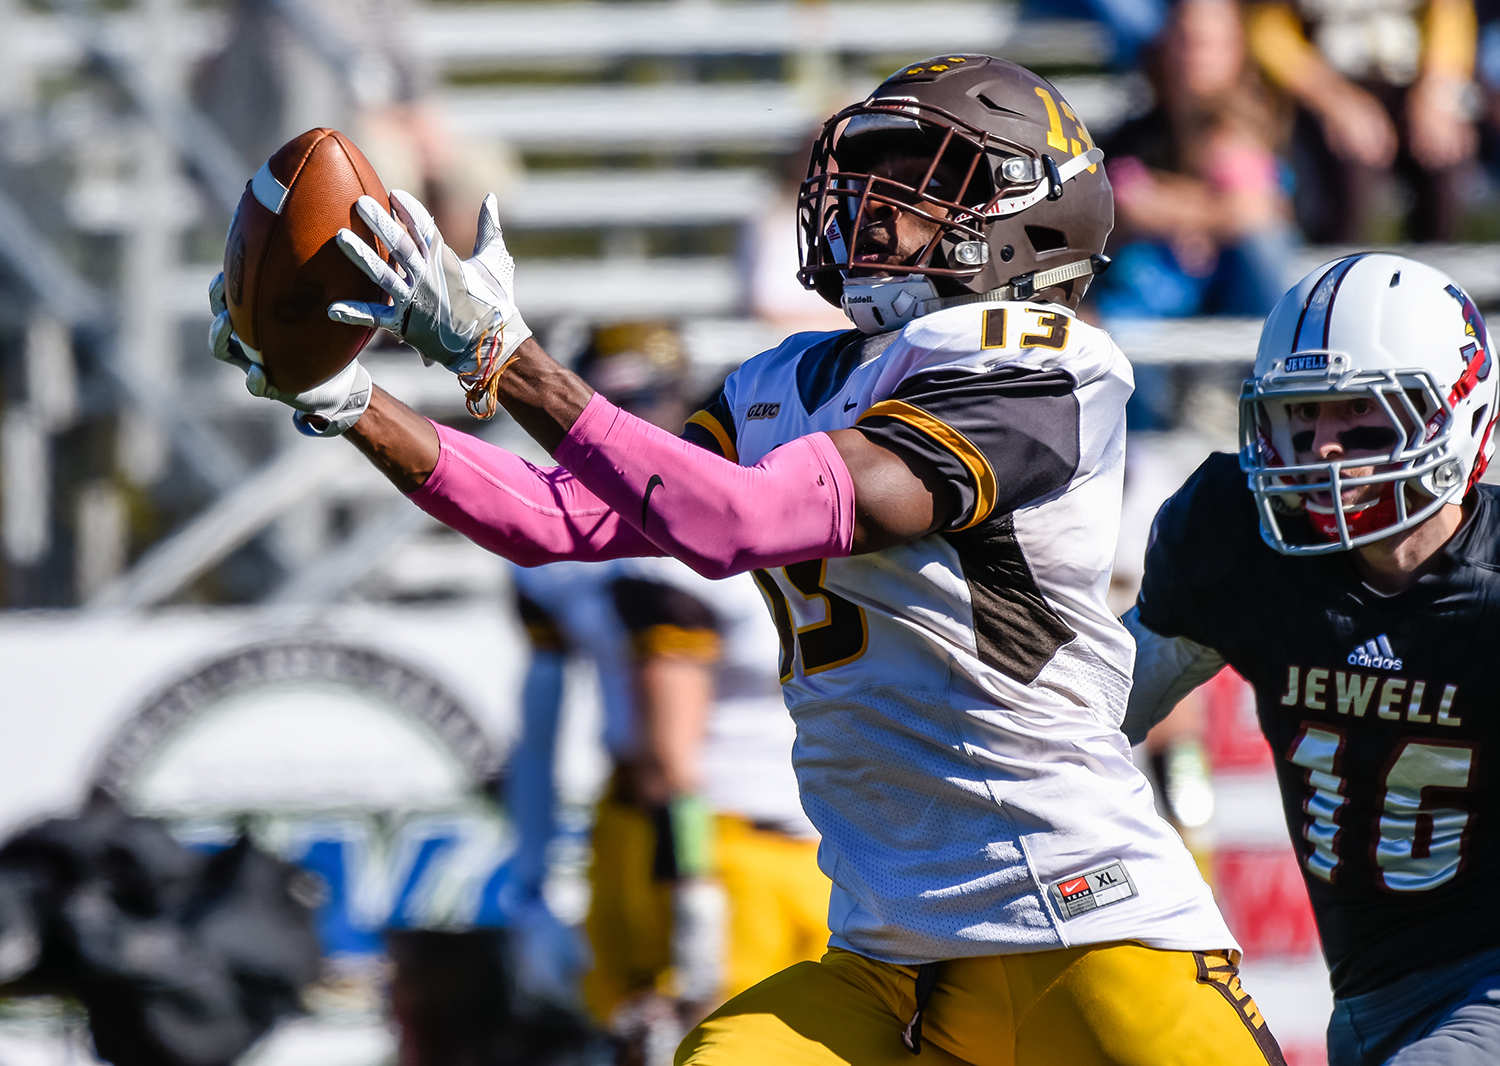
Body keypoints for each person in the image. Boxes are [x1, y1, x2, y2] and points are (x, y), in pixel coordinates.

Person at [209, 55, 1285, 1065]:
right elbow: (561, 521)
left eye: (919, 181)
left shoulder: (1044, 369)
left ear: (1022, 215)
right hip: (893, 962)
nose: (871, 204)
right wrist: (350, 402)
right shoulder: (791, 377)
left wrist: (507, 360)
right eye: (869, 177)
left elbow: (745, 520)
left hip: (1092, 929)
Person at [1125, 252, 1500, 1066]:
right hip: (1370, 998)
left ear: (1460, 415)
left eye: (1358, 411)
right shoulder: (1241, 547)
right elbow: (1089, 714)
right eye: (1302, 415)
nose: (1323, 448)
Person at [502, 323, 828, 1062]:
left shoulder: (575, 548)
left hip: (710, 845)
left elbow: (541, 737)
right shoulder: (669, 559)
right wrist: (695, 893)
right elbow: (666, 757)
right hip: (716, 854)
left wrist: (528, 884)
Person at [1097, 0, 1292, 320]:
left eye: (1209, 44)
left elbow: (1256, 214)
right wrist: (1218, 209)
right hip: (1153, 304)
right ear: (1165, 46)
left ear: (1237, 51)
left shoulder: (1259, 134)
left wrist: (1165, 206)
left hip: (1241, 297)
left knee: (1263, 244)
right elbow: (1123, 206)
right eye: (1185, 40)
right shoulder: (1135, 138)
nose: (1195, 55)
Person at [1244, 0, 1478, 243]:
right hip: (1326, 84)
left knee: (1444, 159)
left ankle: (1435, 273)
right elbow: (1267, 29)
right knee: (1350, 170)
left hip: (1416, 82)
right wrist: (1335, 100)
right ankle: (1336, 272)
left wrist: (1437, 92)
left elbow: (1452, 13)